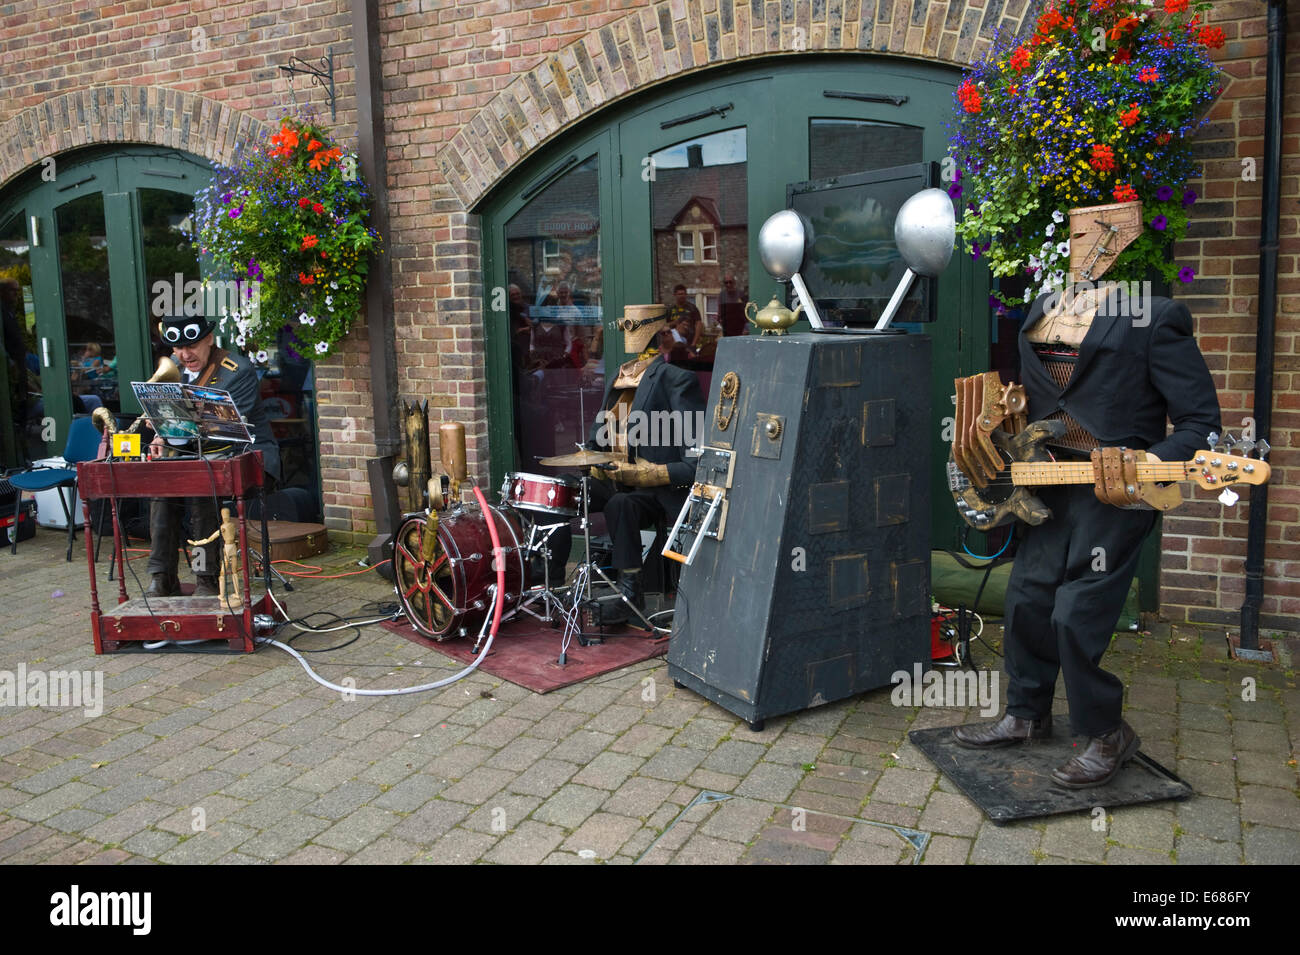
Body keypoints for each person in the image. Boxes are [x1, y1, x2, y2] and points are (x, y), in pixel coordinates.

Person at [952, 226, 1220, 788]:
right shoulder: (1042, 311)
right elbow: (1035, 402)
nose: (1087, 244)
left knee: (1075, 613)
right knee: (1026, 599)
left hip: (1116, 496)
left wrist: (1143, 464)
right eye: (1073, 231)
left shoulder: (1155, 317)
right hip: (1048, 484)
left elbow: (1200, 426)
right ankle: (1026, 716)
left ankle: (1106, 733)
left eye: (1101, 232)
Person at [550, 306, 705, 611]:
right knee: (557, 493)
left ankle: (629, 592)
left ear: (657, 331)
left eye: (633, 325)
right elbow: (597, 439)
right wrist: (588, 462)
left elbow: (696, 463)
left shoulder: (676, 379)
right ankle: (552, 584)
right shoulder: (619, 378)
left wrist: (645, 473)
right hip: (617, 480)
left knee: (620, 505)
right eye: (625, 324)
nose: (626, 331)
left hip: (654, 491)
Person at [145, 314, 281, 597]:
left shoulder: (238, 370)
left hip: (247, 455)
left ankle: (205, 577)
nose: (185, 354)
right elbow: (186, 432)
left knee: (199, 484)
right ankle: (161, 575)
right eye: (178, 348)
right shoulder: (175, 372)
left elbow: (224, 429)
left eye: (192, 345)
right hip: (200, 457)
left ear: (209, 338)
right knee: (161, 485)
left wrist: (175, 425)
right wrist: (161, 433)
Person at [666, 284, 702, 349]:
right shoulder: (670, 309)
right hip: (674, 344)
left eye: (684, 294)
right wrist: (675, 323)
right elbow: (664, 326)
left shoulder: (692, 308)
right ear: (675, 295)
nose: (682, 296)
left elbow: (698, 325)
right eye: (679, 294)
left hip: (690, 344)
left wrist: (694, 343)